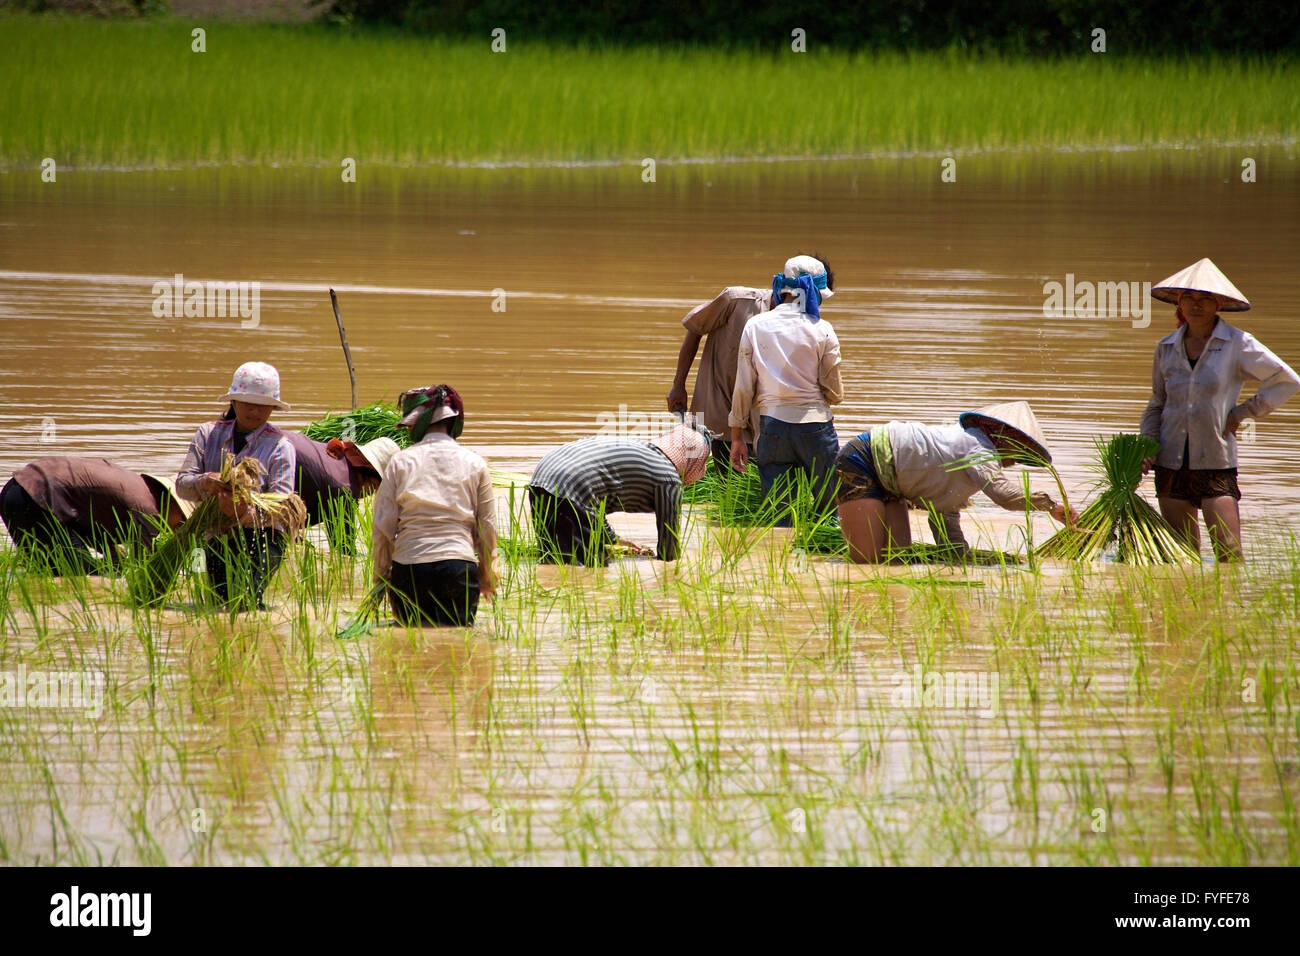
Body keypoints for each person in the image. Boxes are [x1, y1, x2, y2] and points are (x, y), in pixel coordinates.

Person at [1139, 258, 1300, 561]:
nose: (1196, 306)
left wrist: (1242, 412)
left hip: (1215, 461)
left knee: (1230, 553)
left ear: (1219, 304)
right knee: (1182, 560)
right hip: (1170, 463)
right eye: (1189, 298)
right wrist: (1146, 442)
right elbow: (1157, 403)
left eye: (1204, 300)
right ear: (1179, 302)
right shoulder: (1166, 347)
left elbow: (1287, 380)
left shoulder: (1237, 343)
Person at [835, 402, 1075, 563]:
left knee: (897, 558)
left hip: (894, 482)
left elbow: (945, 517)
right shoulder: (978, 449)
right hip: (862, 461)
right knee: (866, 562)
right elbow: (1003, 496)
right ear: (1003, 434)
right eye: (1019, 449)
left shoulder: (970, 470)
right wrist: (1051, 506)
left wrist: (962, 559)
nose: (1016, 460)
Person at [729, 255, 843, 524]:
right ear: (813, 292)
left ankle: (783, 559)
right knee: (831, 512)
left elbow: (743, 387)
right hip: (816, 428)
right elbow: (834, 392)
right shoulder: (823, 329)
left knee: (780, 517)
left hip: (771, 430)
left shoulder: (755, 325)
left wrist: (736, 437)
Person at [371, 385, 497, 627]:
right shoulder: (475, 463)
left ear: (420, 424)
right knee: (456, 649)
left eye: (409, 426)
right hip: (458, 568)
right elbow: (487, 528)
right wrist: (487, 575)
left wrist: (381, 577)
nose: (408, 432)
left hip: (409, 570)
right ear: (454, 422)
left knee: (408, 645)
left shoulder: (400, 462)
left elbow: (383, 529)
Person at [176, 362, 297, 610]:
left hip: (265, 537)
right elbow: (182, 485)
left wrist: (241, 511)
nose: (255, 412)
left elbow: (282, 506)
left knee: (247, 602)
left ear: (273, 407)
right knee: (220, 605)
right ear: (233, 402)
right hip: (217, 534)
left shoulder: (280, 446)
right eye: (248, 404)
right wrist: (207, 482)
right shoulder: (208, 435)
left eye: (264, 406)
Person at [528, 423, 710, 566]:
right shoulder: (668, 479)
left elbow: (597, 497)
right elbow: (669, 553)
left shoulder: (640, 451)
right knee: (588, 570)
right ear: (693, 461)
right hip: (573, 488)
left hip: (541, 480)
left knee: (555, 560)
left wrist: (614, 539)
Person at [1, 458, 192, 573]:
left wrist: (112, 551)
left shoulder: (139, 488)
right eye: (182, 520)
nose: (178, 528)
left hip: (14, 491)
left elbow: (84, 516)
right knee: (80, 576)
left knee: (45, 573)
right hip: (32, 499)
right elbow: (142, 571)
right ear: (171, 502)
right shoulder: (148, 511)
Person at [667, 278, 777, 473]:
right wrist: (678, 385)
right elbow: (695, 327)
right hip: (723, 408)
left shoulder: (803, 322)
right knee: (732, 481)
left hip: (764, 416)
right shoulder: (736, 300)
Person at [284, 431, 399, 556]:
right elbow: (344, 550)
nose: (368, 495)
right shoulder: (344, 490)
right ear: (370, 476)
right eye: (374, 488)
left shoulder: (338, 455)